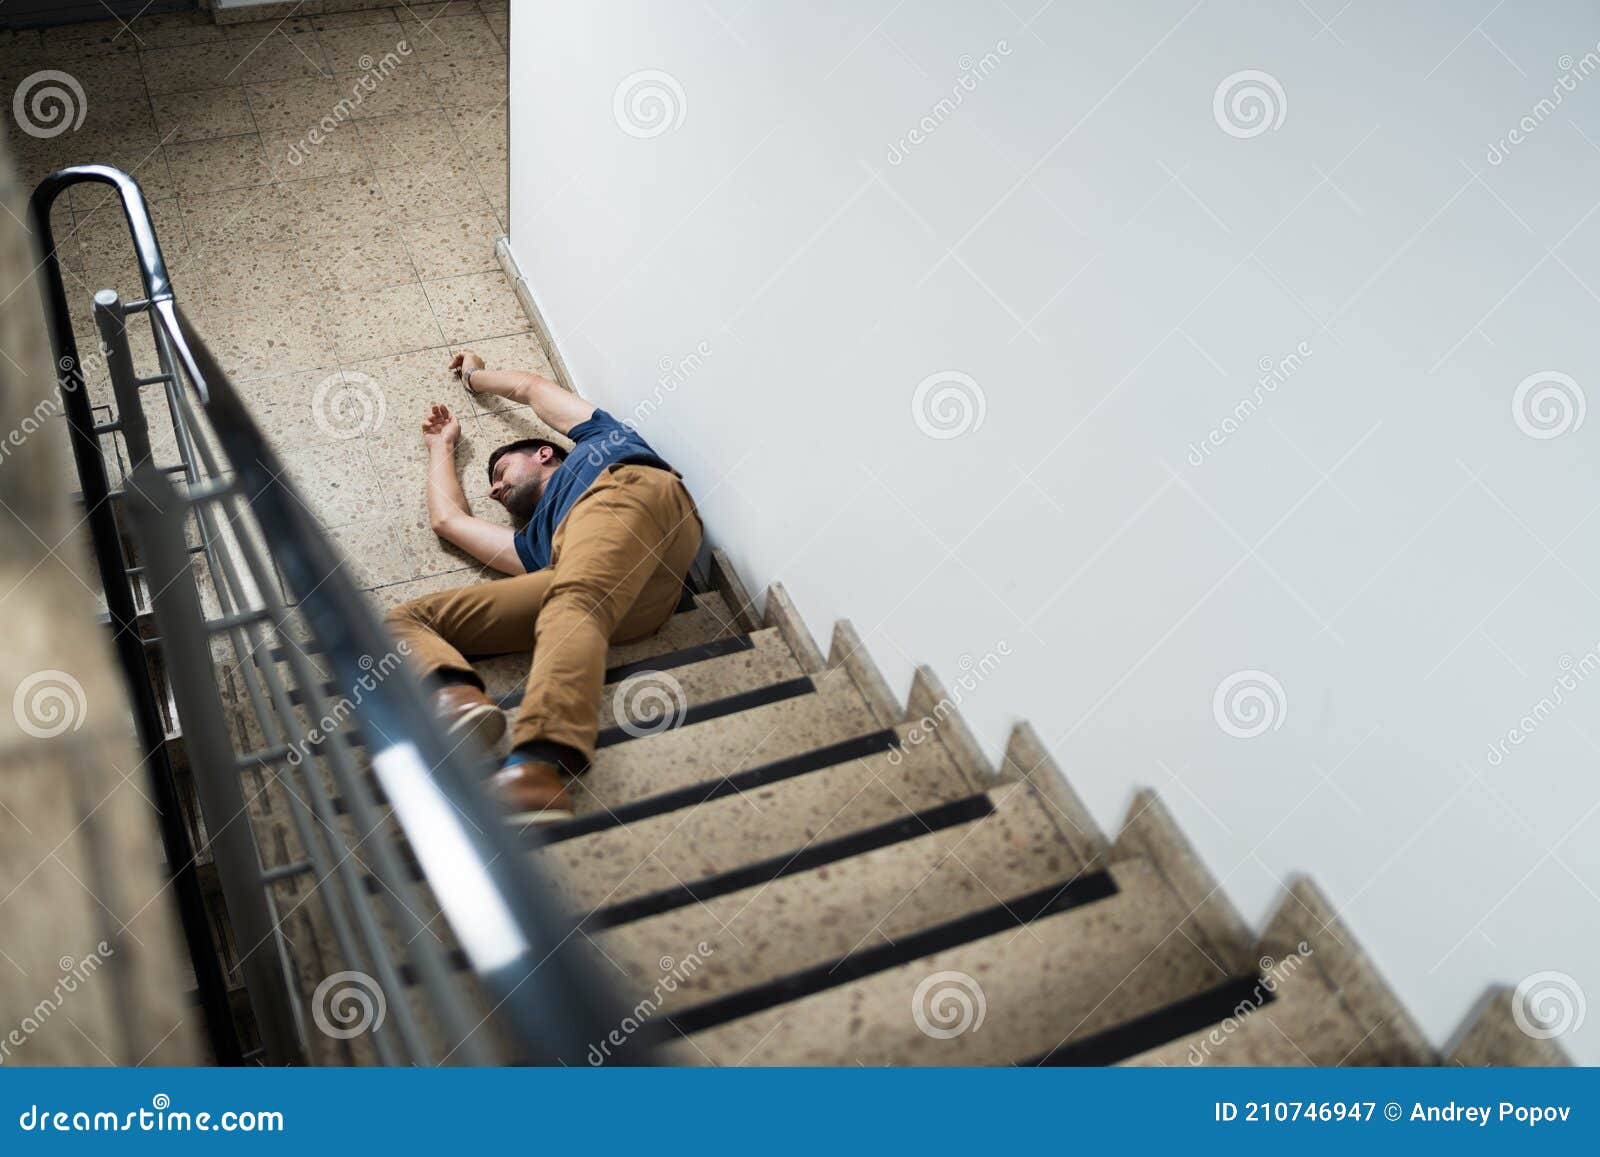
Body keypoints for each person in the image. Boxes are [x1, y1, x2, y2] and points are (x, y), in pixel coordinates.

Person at [384, 352, 702, 823]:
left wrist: (474, 377)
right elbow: (449, 520)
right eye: (492, 486)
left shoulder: (601, 441)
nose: (494, 490)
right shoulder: (533, 545)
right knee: (404, 620)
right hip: (627, 608)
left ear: (543, 453)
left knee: (572, 599)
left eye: (500, 473)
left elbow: (530, 389)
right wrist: (440, 447)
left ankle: (538, 765)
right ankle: (455, 697)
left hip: (632, 499)